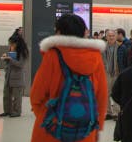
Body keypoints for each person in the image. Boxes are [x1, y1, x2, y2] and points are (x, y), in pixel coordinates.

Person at [30, 13, 107, 142]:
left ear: (58, 32)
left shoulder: (52, 55)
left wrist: (46, 116)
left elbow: (37, 95)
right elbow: (101, 96)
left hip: (52, 130)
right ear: (84, 32)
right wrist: (97, 127)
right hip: (84, 131)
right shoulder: (95, 57)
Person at [0, 34, 28, 118]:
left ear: (17, 43)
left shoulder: (22, 52)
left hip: (17, 77)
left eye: (12, 43)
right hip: (8, 76)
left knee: (16, 97)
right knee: (6, 95)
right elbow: (9, 63)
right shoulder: (11, 50)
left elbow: (21, 65)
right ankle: (7, 111)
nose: (11, 45)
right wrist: (6, 58)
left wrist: (11, 60)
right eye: (10, 43)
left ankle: (16, 111)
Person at [102, 29, 123, 120]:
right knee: (106, 93)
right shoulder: (102, 47)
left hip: (117, 72)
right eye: (109, 36)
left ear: (116, 36)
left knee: (117, 92)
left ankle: (116, 112)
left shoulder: (121, 47)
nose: (111, 37)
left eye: (113, 36)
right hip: (105, 72)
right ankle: (108, 112)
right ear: (106, 37)